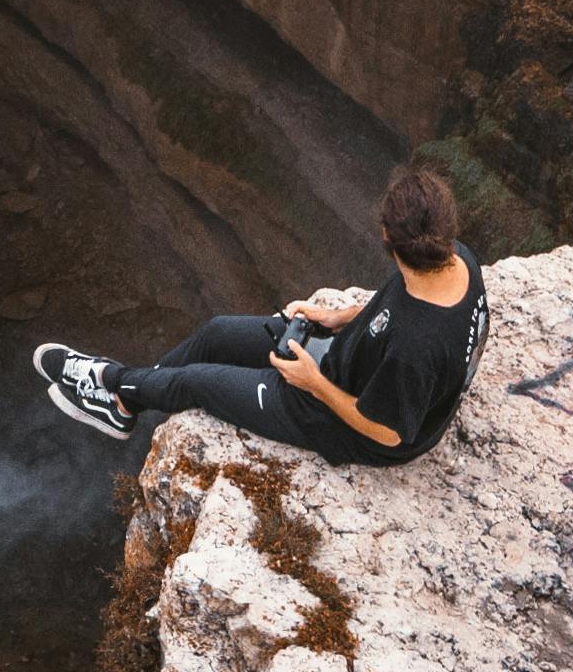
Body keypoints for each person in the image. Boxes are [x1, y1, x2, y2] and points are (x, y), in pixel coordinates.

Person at [34, 165, 489, 464]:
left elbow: (389, 432)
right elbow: (395, 308)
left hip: (336, 420)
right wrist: (339, 317)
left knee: (196, 382)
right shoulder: (454, 259)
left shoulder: (416, 349)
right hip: (346, 363)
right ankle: (127, 399)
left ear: (393, 245)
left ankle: (115, 385)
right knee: (216, 333)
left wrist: (314, 384)